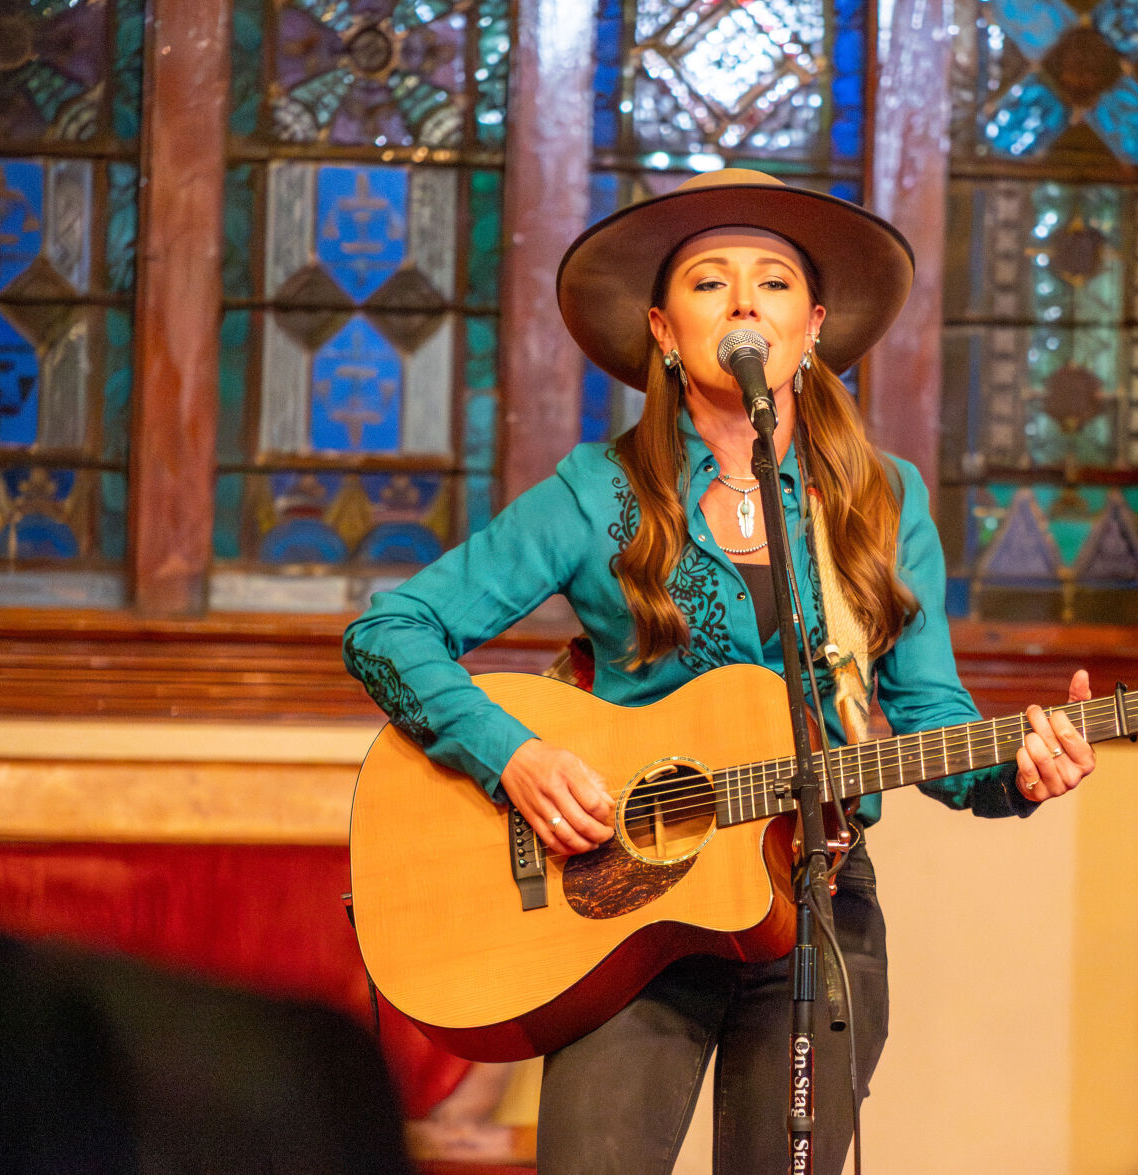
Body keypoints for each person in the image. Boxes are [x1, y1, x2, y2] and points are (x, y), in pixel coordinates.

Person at [342, 168, 1097, 1174]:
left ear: (813, 323)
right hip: (618, 909)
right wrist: (510, 754)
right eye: (709, 281)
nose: (744, 301)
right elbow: (391, 626)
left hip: (813, 904)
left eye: (773, 282)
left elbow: (926, 714)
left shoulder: (880, 497)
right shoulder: (594, 492)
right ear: (662, 327)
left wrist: (1013, 772)